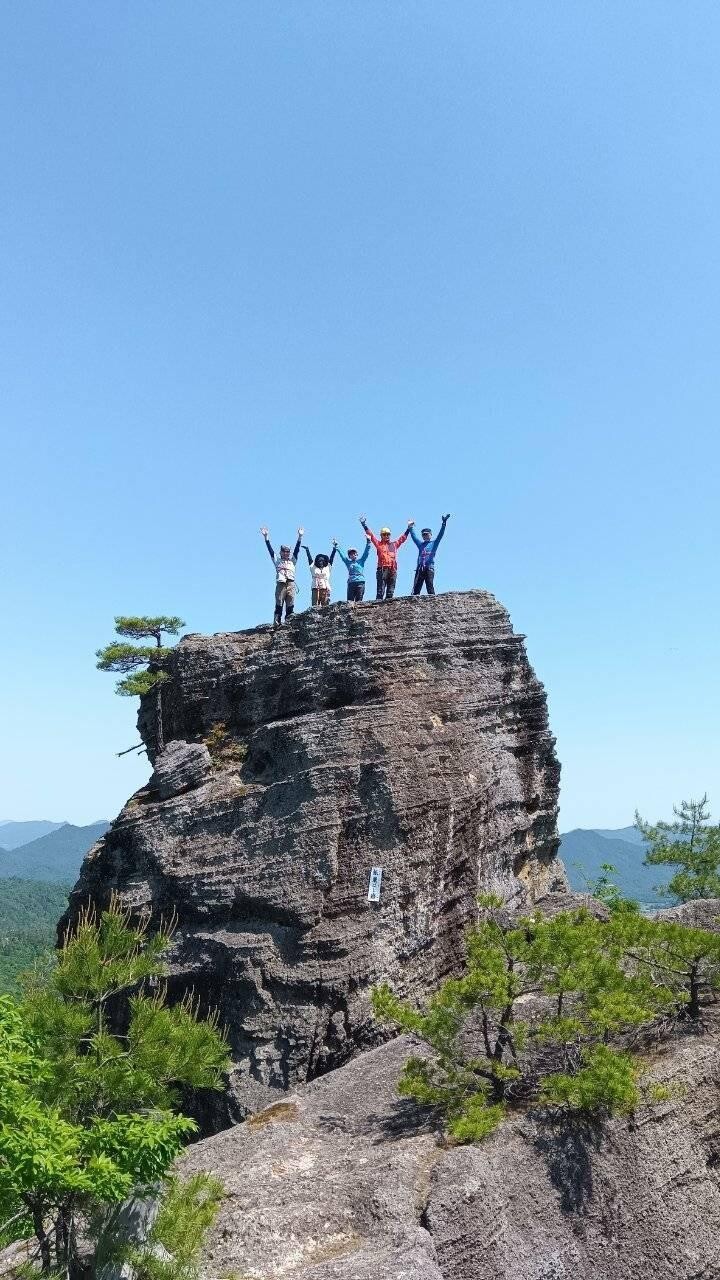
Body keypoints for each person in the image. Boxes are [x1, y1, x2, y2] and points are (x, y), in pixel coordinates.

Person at [360, 515, 413, 601]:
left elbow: (402, 539)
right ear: (381, 535)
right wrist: (364, 525)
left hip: (392, 570)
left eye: (388, 534)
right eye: (384, 534)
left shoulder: (394, 544)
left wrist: (408, 529)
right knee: (380, 591)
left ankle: (389, 610)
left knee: (390, 591)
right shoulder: (378, 544)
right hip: (382, 569)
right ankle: (377, 609)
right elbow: (371, 535)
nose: (386, 536)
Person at [260, 526, 303, 625]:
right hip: (281, 583)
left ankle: (289, 622)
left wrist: (300, 537)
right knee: (279, 602)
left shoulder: (293, 561)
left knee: (290, 603)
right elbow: (270, 551)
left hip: (291, 583)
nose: (286, 553)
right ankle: (277, 622)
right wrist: (266, 537)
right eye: (284, 552)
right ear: (281, 552)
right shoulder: (277, 561)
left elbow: (297, 550)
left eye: (288, 552)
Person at [410, 514, 451, 595]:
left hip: (429, 568)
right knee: (416, 588)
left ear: (430, 535)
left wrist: (444, 523)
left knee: (429, 586)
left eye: (427, 534)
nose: (425, 536)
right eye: (423, 534)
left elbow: (440, 535)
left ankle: (433, 603)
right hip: (420, 569)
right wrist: (410, 527)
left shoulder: (434, 543)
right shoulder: (420, 544)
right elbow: (414, 537)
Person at [333, 536, 371, 602]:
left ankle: (358, 612)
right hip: (351, 583)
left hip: (360, 583)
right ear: (349, 556)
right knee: (350, 601)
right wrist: (337, 546)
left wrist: (368, 542)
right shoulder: (348, 562)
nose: (353, 555)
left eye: (354, 553)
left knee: (359, 601)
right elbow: (342, 555)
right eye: (351, 554)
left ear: (356, 554)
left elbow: (366, 553)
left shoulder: (361, 561)